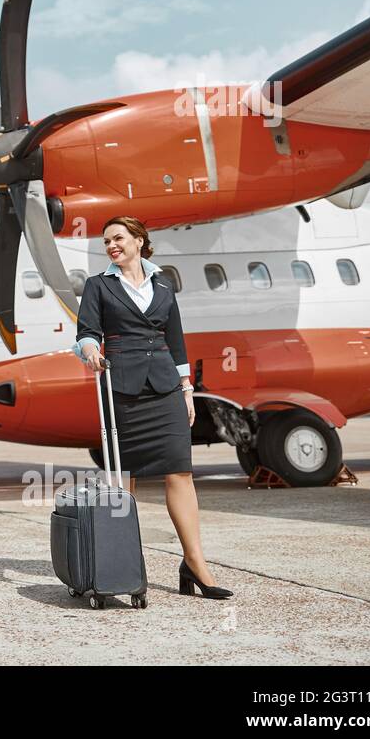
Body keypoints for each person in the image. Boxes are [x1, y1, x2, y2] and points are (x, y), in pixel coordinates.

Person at [73, 215, 232, 599]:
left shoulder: (163, 282)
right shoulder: (98, 285)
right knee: (123, 482)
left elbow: (175, 339)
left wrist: (186, 387)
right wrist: (91, 350)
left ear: (140, 240)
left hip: (164, 387)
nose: (112, 245)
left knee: (180, 473)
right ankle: (122, 564)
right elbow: (86, 332)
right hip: (123, 388)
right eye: (107, 241)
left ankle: (196, 563)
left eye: (119, 238)